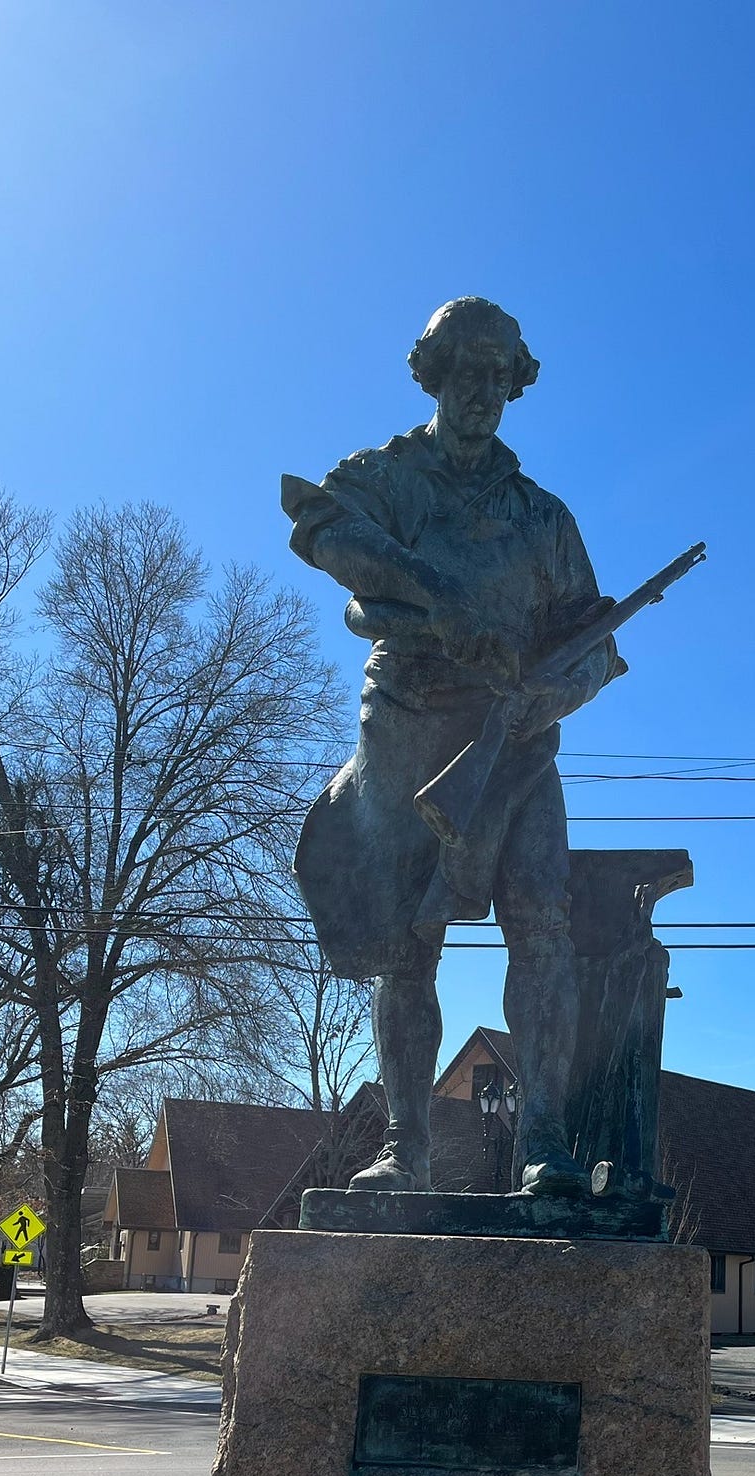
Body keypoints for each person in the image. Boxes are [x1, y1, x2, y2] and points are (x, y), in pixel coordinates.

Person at [287, 297, 621, 1194]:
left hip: (516, 741)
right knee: (404, 948)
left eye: (497, 376)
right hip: (409, 728)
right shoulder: (388, 475)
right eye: (464, 372)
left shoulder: (543, 516)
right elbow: (321, 525)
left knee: (542, 928)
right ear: (433, 374)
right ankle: (406, 1147)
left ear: (516, 383)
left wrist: (562, 688)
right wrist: (431, 593)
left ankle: (546, 1145)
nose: (481, 393)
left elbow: (597, 640)